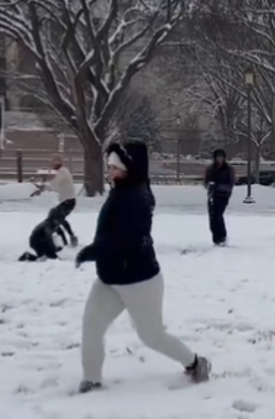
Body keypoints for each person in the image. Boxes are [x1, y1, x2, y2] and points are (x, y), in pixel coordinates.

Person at [75, 140, 211, 392]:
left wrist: (94, 250)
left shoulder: (138, 198)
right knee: (91, 326)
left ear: (130, 168)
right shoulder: (122, 190)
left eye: (115, 166)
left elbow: (128, 240)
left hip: (140, 281)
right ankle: (92, 379)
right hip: (110, 277)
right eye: (109, 166)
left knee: (152, 336)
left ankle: (195, 363)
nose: (111, 172)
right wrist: (98, 252)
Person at [33, 154, 78, 246]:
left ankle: (65, 239)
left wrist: (43, 187)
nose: (52, 164)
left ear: (58, 162)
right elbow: (56, 186)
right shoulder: (63, 171)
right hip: (68, 201)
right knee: (57, 218)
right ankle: (68, 238)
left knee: (55, 218)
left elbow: (55, 185)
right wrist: (44, 188)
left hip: (68, 201)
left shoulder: (62, 172)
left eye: (53, 162)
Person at [203, 149, 235, 245]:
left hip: (223, 196)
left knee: (218, 215)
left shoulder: (228, 169)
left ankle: (222, 237)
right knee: (212, 217)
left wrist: (219, 186)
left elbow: (230, 184)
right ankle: (216, 238)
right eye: (218, 157)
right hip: (213, 195)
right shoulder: (211, 169)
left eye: (221, 157)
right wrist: (209, 185)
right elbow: (206, 181)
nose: (219, 159)